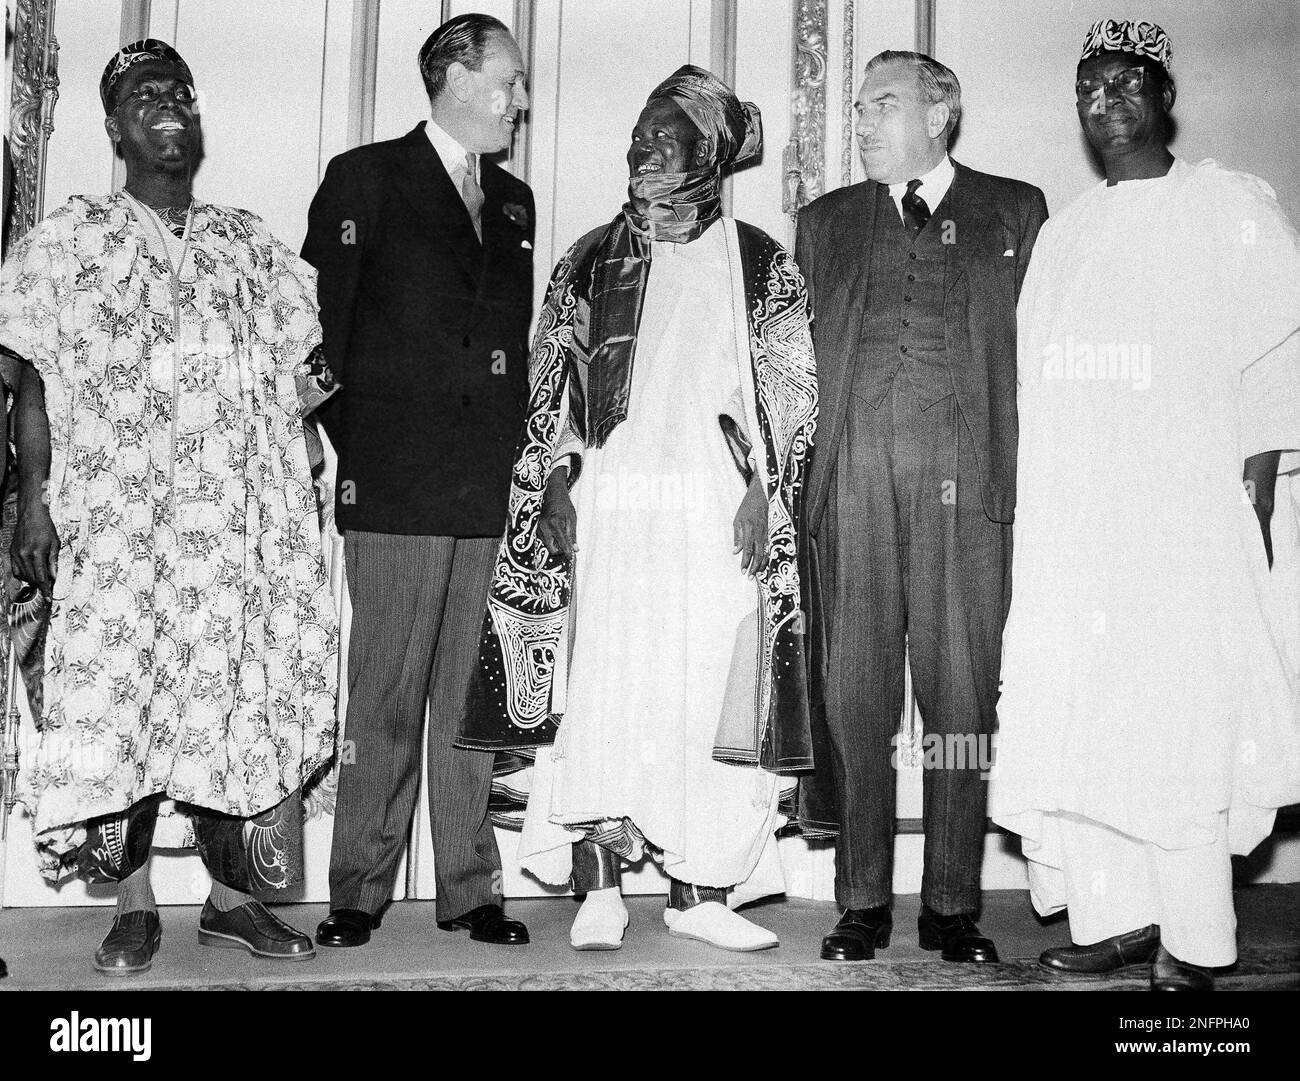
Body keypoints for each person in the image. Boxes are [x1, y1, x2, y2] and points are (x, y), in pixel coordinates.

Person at [458, 66, 817, 952]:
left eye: (664, 132)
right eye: (637, 131)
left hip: (713, 514)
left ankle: (700, 890)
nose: (641, 145)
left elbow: (793, 393)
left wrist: (764, 491)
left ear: (710, 153)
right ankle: (599, 886)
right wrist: (554, 481)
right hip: (612, 511)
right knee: (606, 685)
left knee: (704, 689)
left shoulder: (759, 260)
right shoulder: (588, 255)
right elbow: (551, 383)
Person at [0, 39, 338, 975]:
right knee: (122, 702)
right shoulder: (70, 243)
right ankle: (135, 906)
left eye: (181, 92)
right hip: (118, 524)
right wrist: (34, 505)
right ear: (113, 128)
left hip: (232, 530)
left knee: (233, 697)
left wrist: (301, 481)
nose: (168, 104)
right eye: (144, 94)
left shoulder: (249, 245)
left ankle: (236, 904)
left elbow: (301, 385)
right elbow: (30, 380)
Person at [990, 19, 1300, 992]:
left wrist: (1254, 478)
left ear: (1164, 98)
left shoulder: (1226, 204)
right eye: (1088, 84)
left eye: (1125, 82)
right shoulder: (1066, 234)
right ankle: (1118, 916)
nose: (1104, 99)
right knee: (1089, 717)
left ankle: (1197, 942)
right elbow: (1037, 390)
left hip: (1181, 519)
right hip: (1079, 530)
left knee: (1177, 724)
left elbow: (1277, 351)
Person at [795, 51, 1048, 963]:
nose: (860, 122)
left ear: (941, 114)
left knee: (958, 703)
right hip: (853, 483)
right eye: (857, 107)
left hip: (967, 489)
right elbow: (791, 373)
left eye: (882, 105)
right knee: (856, 695)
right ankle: (860, 898)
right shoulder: (823, 223)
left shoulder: (1015, 211)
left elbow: (1042, 364)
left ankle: (951, 904)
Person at [302, 13, 534, 949]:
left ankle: (470, 886)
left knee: (468, 697)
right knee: (386, 693)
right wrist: (369, 450)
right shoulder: (366, 177)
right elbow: (326, 338)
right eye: (510, 80)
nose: (521, 100)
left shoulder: (513, 200)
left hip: (486, 485)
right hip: (395, 485)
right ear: (453, 76)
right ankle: (357, 885)